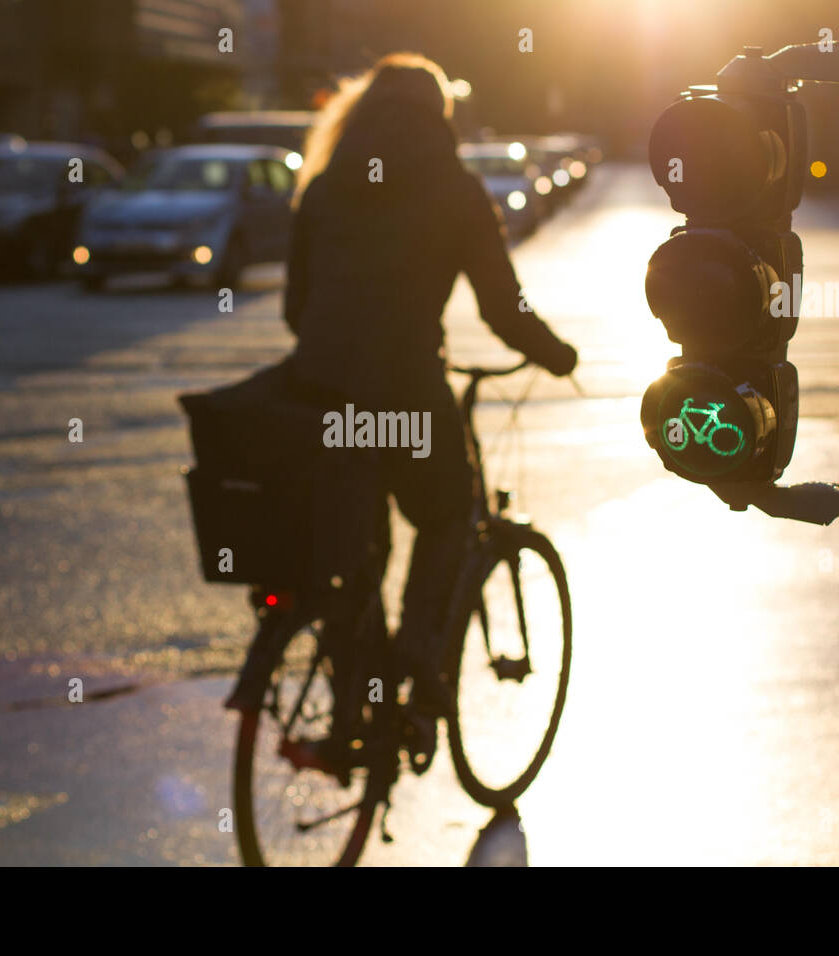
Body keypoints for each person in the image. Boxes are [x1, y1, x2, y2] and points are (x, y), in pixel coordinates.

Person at [282, 53, 578, 769]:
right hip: (408, 393)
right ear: (439, 118)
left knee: (357, 559)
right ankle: (416, 672)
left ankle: (357, 711)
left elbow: (297, 310)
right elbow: (503, 309)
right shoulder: (454, 190)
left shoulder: (325, 187)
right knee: (447, 518)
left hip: (318, 401)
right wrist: (557, 354)